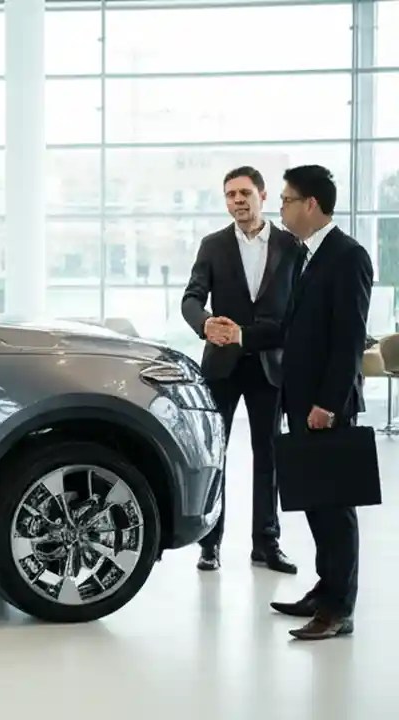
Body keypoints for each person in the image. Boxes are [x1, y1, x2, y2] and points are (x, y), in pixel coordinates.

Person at [260, 164, 371, 640]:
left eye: (285, 199)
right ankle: (325, 590)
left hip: (326, 407)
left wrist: (328, 403)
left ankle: (338, 610)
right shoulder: (304, 256)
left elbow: (349, 340)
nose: (279, 208)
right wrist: (241, 335)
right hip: (300, 401)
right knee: (315, 502)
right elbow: (292, 330)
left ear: (310, 204)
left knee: (334, 506)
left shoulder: (348, 257)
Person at [181, 166, 298, 574]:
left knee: (269, 454)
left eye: (245, 193)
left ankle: (266, 543)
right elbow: (191, 298)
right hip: (221, 367)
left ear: (262, 196)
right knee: (216, 454)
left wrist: (247, 334)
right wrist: (204, 323)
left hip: (270, 364)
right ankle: (210, 544)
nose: (237, 201)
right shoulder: (212, 245)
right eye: (230, 195)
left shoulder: (290, 244)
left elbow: (296, 309)